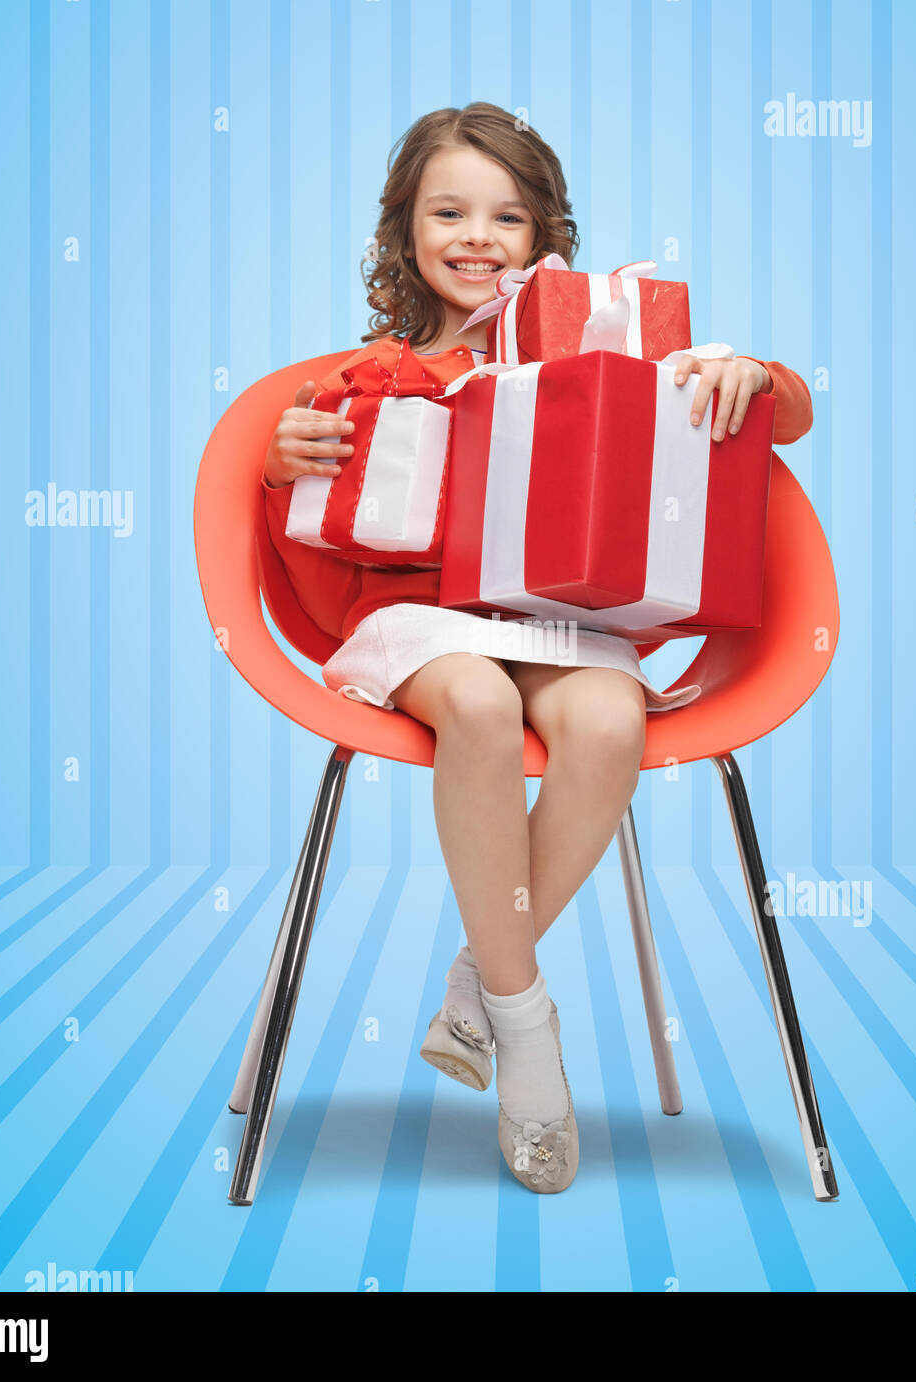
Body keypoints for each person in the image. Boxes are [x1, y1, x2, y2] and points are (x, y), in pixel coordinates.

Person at [260, 102, 814, 1194]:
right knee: (476, 704)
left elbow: (782, 416)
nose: (477, 235)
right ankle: (529, 1034)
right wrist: (283, 455)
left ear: (543, 232)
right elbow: (293, 500)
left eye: (506, 214)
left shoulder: (607, 346)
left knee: (609, 718)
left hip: (563, 623)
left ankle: (477, 986)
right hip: (421, 626)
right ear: (404, 231)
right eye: (448, 210)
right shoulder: (378, 378)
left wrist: (749, 372)